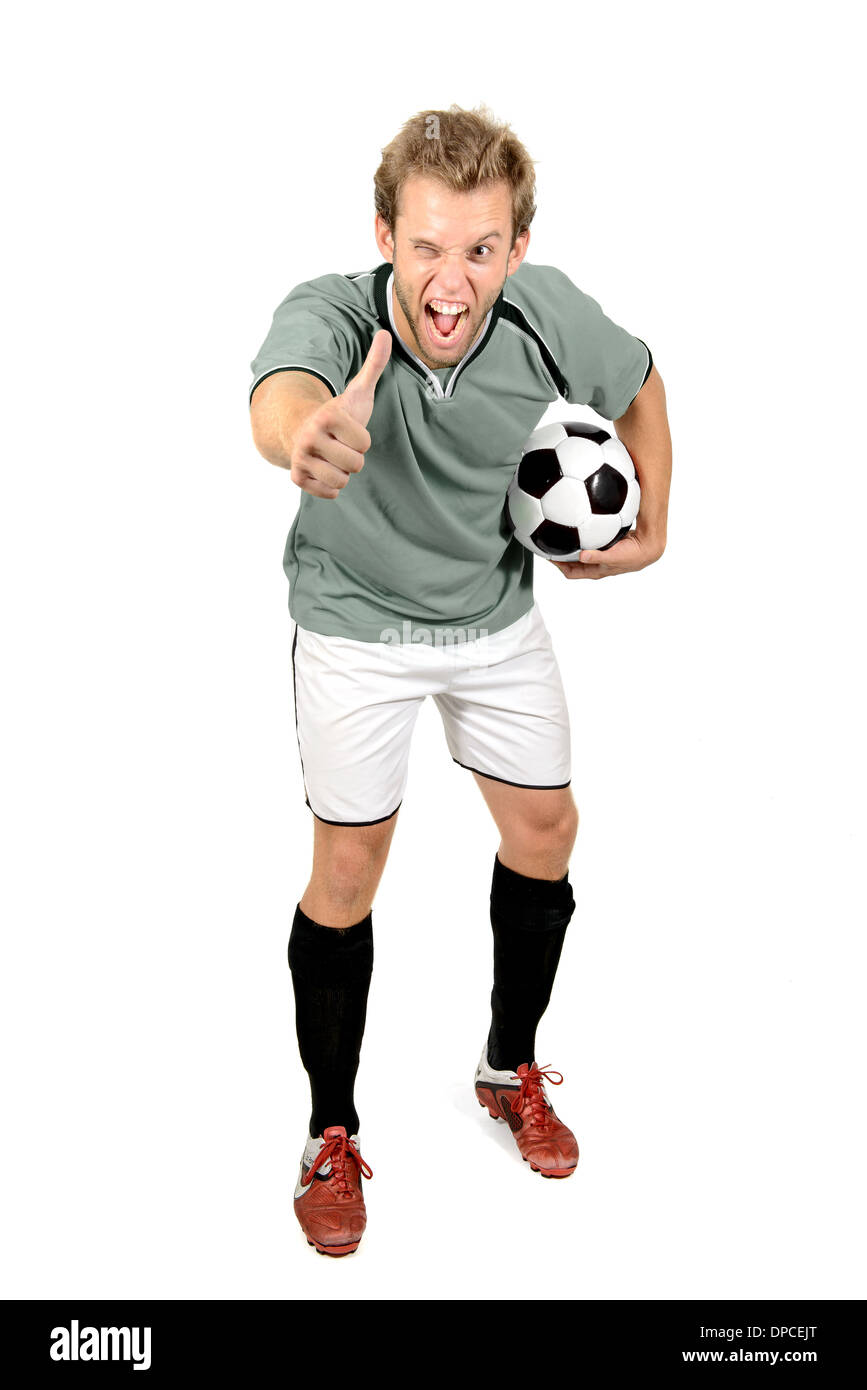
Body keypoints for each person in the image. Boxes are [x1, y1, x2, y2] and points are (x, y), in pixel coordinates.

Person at [248, 104, 672, 1257]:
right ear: (385, 233)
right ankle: (329, 1129)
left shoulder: (546, 314)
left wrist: (659, 519)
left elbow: (639, 381)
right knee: (347, 866)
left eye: (480, 249)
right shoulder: (332, 311)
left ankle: (505, 1065)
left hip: (491, 616)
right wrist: (305, 436)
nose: (453, 278)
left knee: (546, 828)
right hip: (355, 623)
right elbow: (280, 392)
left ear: (516, 250)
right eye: (428, 245)